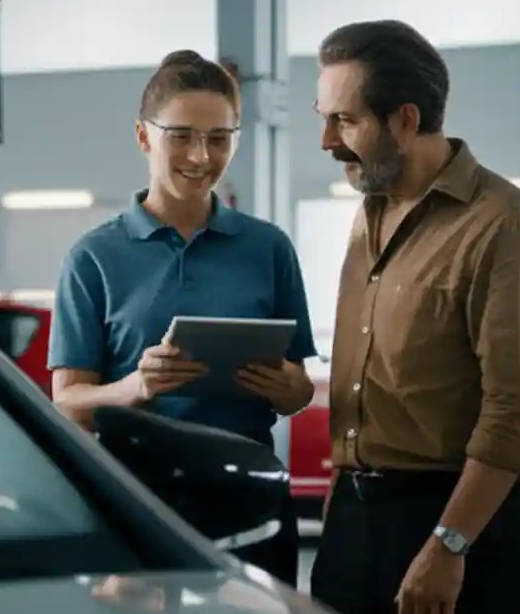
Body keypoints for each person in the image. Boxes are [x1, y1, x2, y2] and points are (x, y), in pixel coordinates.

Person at [308, 20, 520, 614]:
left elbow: (518, 414)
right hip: (354, 525)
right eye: (325, 119)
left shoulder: (505, 226)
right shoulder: (369, 214)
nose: (326, 141)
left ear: (404, 120)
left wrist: (449, 544)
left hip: (459, 529)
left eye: (344, 121)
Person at [48, 50, 318, 586]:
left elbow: (298, 393)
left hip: (250, 495)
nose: (201, 156)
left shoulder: (268, 248)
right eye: (181, 136)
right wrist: (136, 387)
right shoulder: (93, 257)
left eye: (219, 138)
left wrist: (287, 386)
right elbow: (69, 403)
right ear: (144, 137)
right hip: (137, 501)